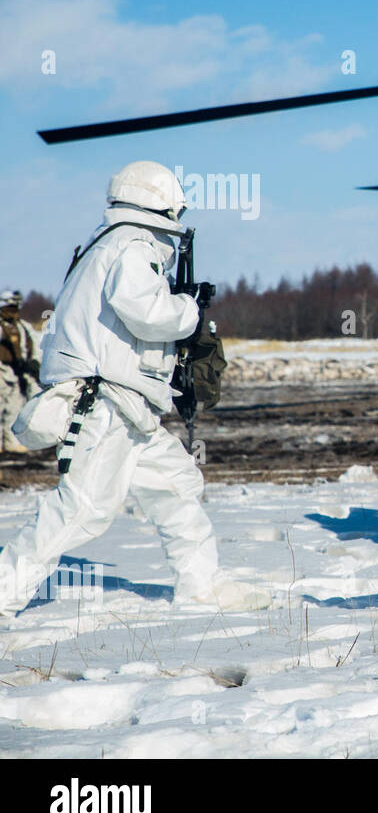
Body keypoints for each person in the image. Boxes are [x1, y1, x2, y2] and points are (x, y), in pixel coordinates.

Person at [0, 161, 268, 618]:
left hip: (127, 406)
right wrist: (189, 308)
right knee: (83, 510)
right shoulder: (131, 244)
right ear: (162, 203)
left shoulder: (108, 242)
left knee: (177, 484)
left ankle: (201, 586)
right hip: (105, 404)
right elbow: (146, 311)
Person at [1, 291, 42, 454]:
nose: (14, 311)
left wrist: (33, 363)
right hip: (2, 369)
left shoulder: (22, 326)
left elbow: (31, 344)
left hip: (17, 372)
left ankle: (11, 442)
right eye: (11, 307)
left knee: (14, 407)